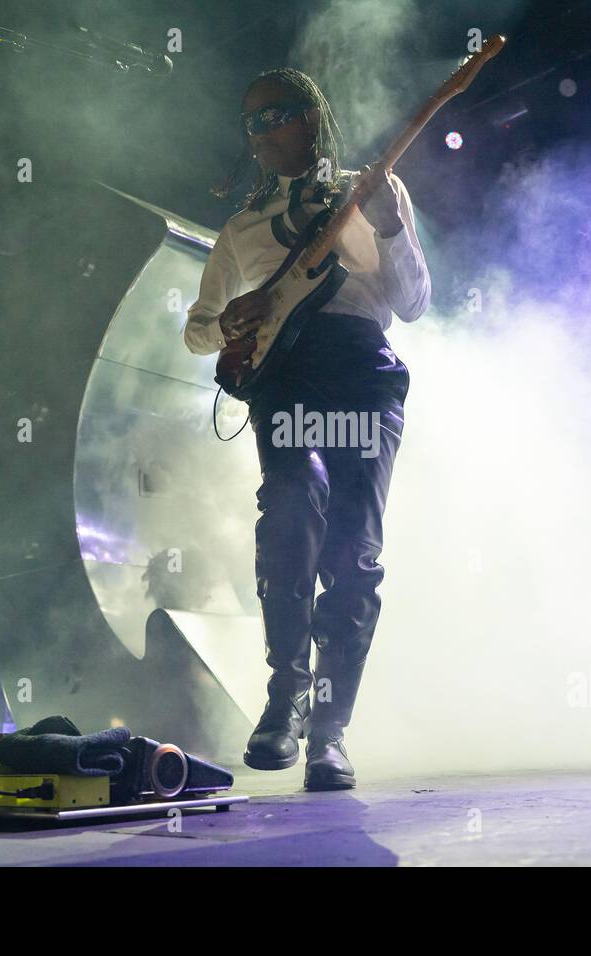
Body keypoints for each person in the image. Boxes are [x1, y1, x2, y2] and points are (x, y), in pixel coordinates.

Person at [184, 68, 430, 790]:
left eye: (279, 115)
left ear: (313, 116)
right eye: (253, 123)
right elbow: (198, 331)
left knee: (354, 552)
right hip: (284, 379)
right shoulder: (241, 228)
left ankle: (329, 733)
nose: (265, 132)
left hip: (361, 369)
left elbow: (414, 303)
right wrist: (229, 321)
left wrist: (386, 224)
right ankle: (284, 692)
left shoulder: (371, 190)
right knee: (289, 512)